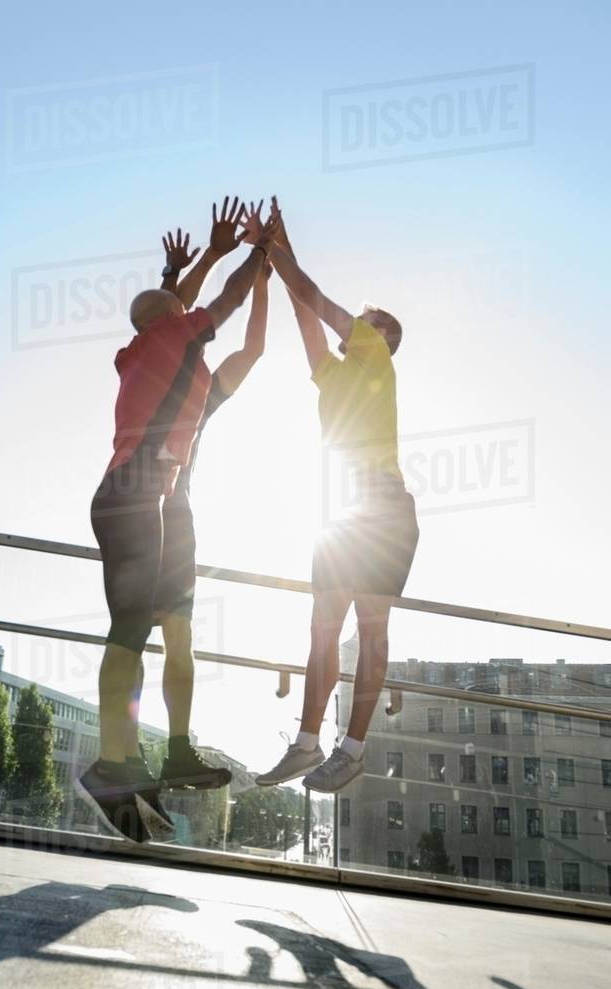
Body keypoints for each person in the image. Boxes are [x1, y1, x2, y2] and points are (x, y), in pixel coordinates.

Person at [77, 202, 279, 842]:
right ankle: (113, 763)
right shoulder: (173, 333)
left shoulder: (139, 349)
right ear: (173, 318)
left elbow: (172, 305)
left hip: (134, 493)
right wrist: (259, 253)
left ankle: (135, 760)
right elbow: (220, 302)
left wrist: (188, 265)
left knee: (145, 629)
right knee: (132, 629)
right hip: (138, 493)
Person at [249, 200, 419, 793]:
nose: (357, 317)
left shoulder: (372, 350)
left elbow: (313, 293)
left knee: (370, 629)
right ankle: (306, 742)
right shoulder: (332, 371)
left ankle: (354, 747)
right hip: (345, 511)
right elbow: (305, 307)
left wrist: (275, 249)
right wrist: (279, 240)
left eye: (366, 314)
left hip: (384, 508)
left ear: (379, 333)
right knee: (322, 628)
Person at [152, 222, 273, 805]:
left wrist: (261, 277)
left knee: (172, 634)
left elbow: (251, 351)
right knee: (157, 632)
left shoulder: (199, 388)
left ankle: (171, 753)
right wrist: (236, 261)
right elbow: (173, 315)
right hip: (159, 507)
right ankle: (145, 755)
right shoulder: (160, 353)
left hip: (168, 512)